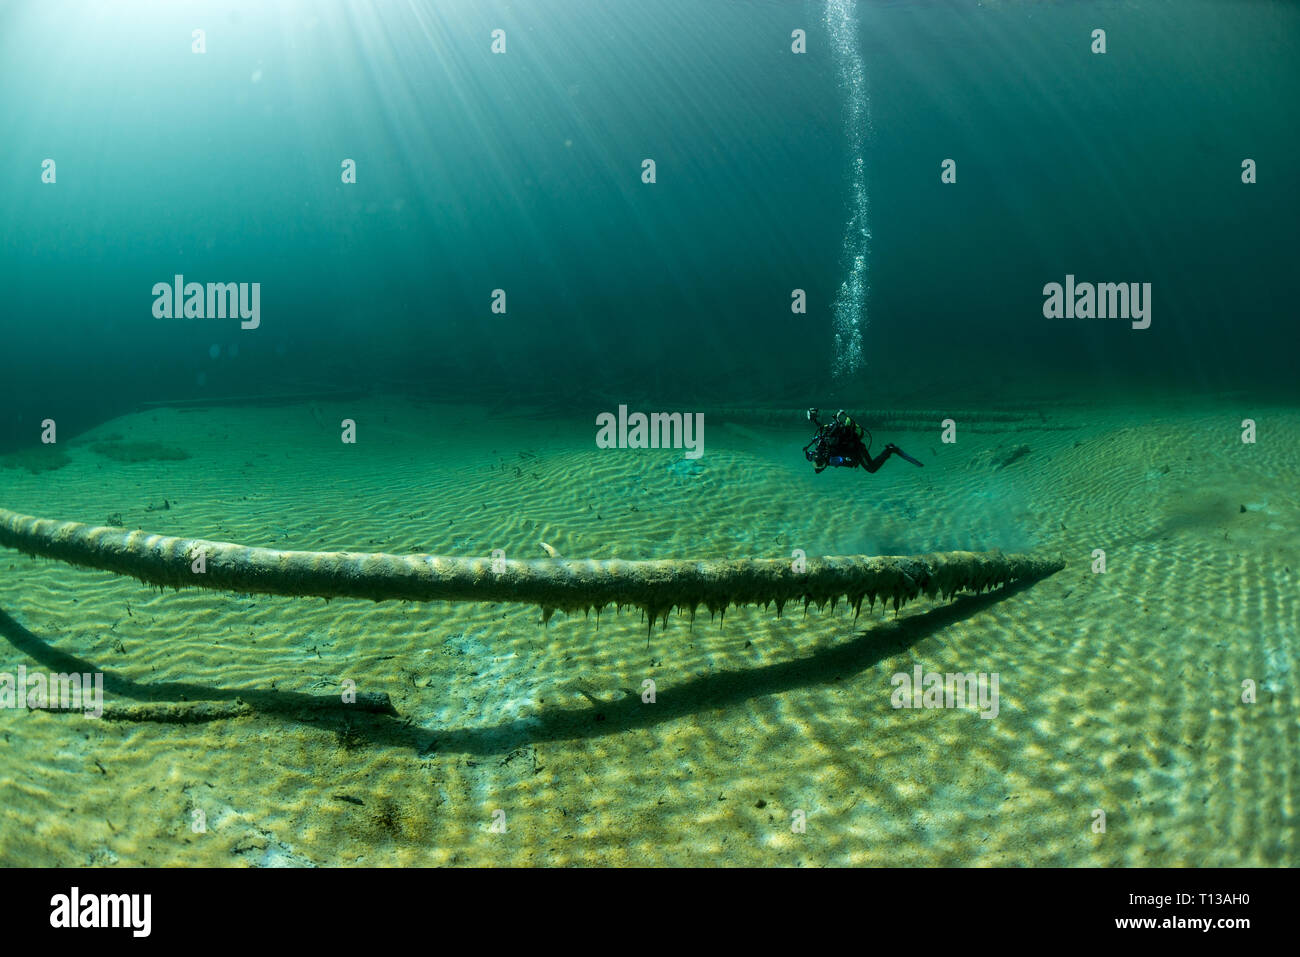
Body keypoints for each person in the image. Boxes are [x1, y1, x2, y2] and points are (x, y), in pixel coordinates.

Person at [803, 408, 923, 474]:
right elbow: (813, 461)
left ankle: (890, 450)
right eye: (817, 464)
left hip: (857, 449)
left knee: (871, 469)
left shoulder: (830, 458)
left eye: (818, 464)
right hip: (846, 446)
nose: (818, 466)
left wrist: (843, 461)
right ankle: (890, 449)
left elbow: (851, 463)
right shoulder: (817, 452)